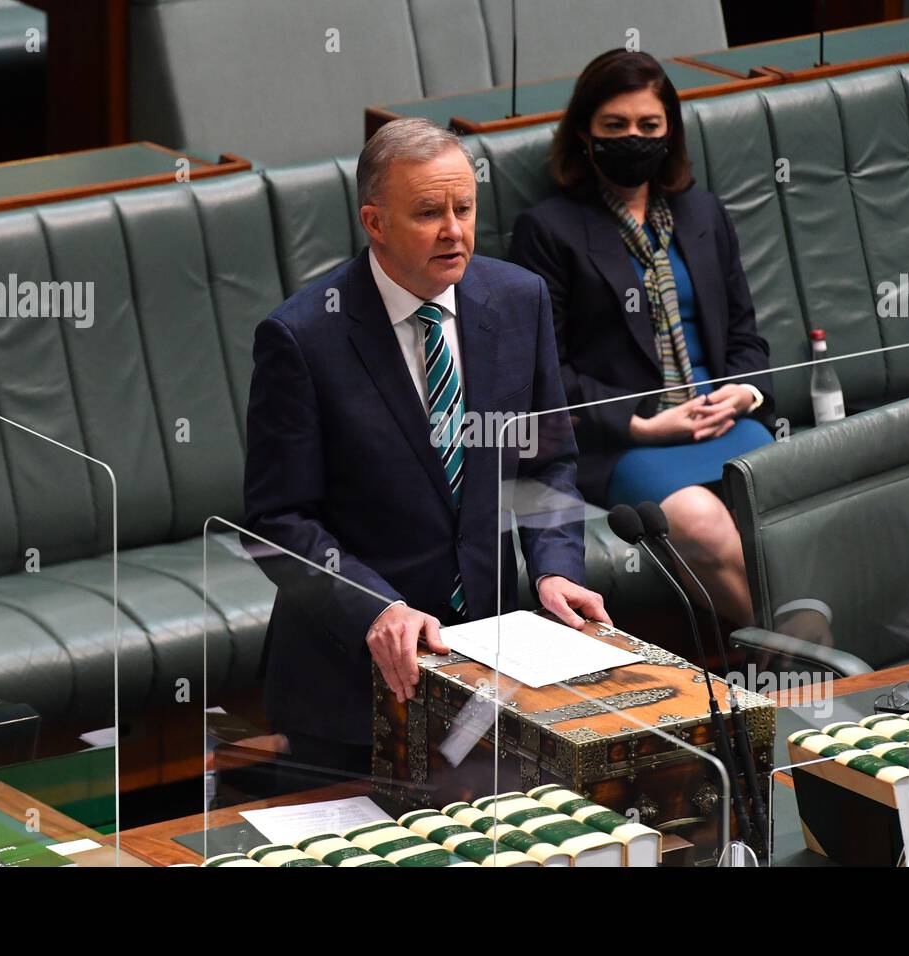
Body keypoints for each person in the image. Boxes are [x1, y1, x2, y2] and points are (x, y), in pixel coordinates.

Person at [243, 118, 610, 777]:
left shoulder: (517, 299)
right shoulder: (302, 338)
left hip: (490, 669)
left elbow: (545, 461)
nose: (455, 231)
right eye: (428, 213)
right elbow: (277, 523)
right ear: (375, 222)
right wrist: (378, 606)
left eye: (464, 208)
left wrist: (555, 567)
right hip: (353, 689)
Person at [510, 49, 773, 627]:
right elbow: (546, 373)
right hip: (626, 441)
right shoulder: (548, 230)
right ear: (584, 133)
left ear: (669, 132)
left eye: (648, 126)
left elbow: (747, 340)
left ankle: (811, 659)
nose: (634, 138)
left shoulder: (702, 213)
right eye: (615, 127)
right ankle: (818, 663)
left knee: (803, 515)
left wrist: (745, 393)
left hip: (725, 419)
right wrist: (639, 424)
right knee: (704, 525)